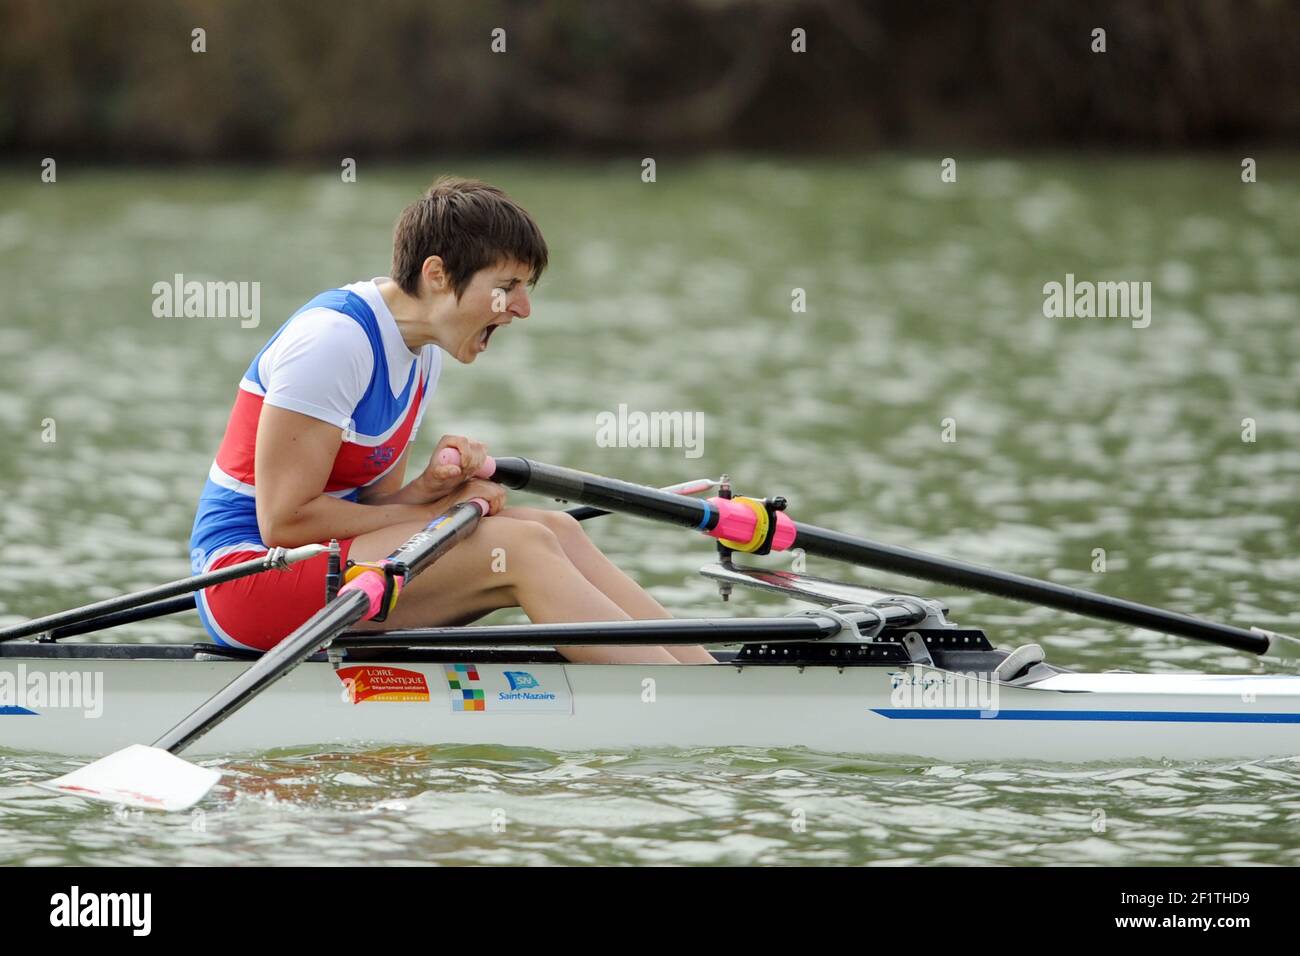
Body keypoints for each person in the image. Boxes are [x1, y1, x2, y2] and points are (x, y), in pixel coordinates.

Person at [190, 176, 714, 664]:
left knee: (557, 528)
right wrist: (443, 511)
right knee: (521, 548)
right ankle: (685, 713)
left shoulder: (425, 352)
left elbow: (369, 510)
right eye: (508, 285)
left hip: (328, 565)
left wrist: (430, 492)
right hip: (247, 578)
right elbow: (284, 523)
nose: (524, 308)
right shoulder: (334, 341)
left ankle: (704, 682)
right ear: (437, 274)